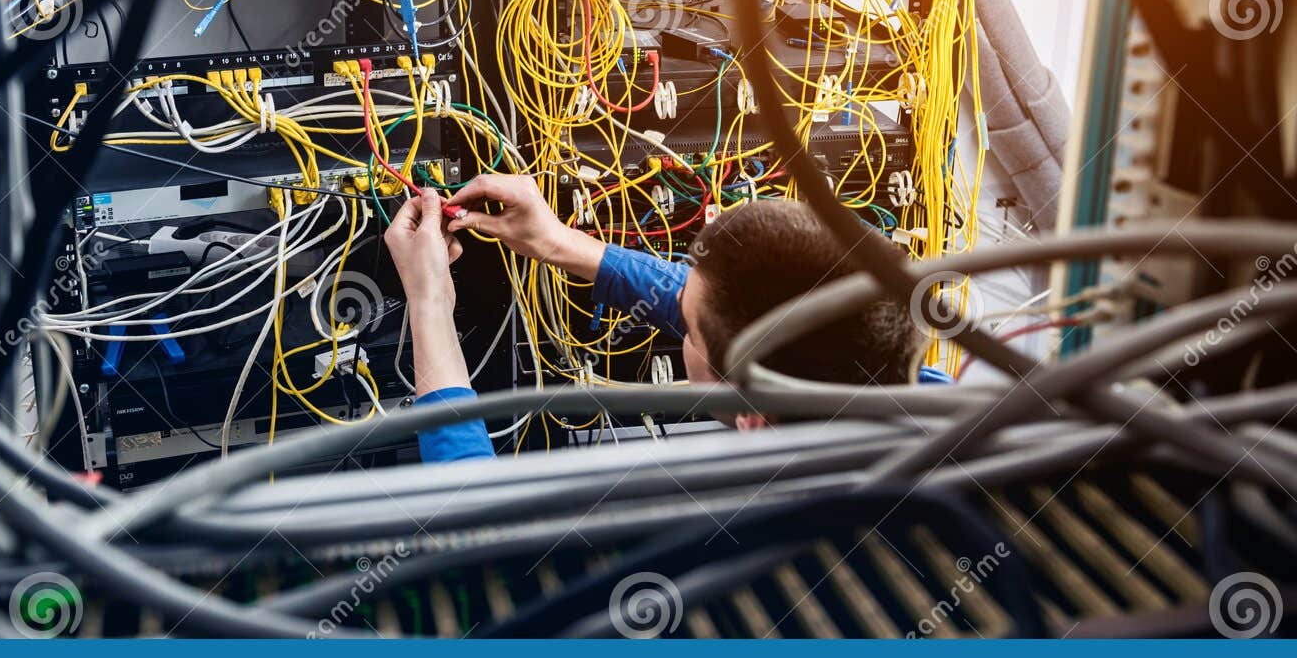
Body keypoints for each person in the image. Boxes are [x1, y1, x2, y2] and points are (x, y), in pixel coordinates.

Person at [384, 175, 924, 462]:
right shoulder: (928, 393)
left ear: (750, 417)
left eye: (685, 328)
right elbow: (705, 303)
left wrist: (428, 300)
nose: (672, 306)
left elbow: (478, 526)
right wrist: (557, 242)